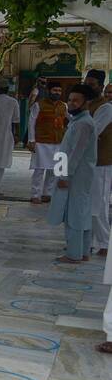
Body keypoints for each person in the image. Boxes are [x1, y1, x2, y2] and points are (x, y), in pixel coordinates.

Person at [50, 83, 97, 264]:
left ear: (86, 103)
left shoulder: (84, 124)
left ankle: (74, 254)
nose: (71, 103)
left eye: (76, 101)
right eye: (70, 100)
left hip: (76, 175)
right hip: (77, 173)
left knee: (74, 213)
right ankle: (83, 252)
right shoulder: (77, 122)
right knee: (82, 211)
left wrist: (64, 176)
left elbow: (75, 153)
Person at [84, 71, 112, 256]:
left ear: (100, 87)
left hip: (102, 161)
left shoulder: (106, 107)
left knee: (99, 202)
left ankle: (105, 242)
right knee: (88, 202)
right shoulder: (87, 104)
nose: (88, 87)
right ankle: (90, 242)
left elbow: (91, 131)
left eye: (92, 84)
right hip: (88, 161)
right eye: (87, 83)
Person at [29, 80, 67, 203]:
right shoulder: (38, 105)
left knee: (53, 170)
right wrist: (31, 140)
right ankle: (35, 194)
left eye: (59, 91)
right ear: (49, 91)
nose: (57, 93)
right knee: (39, 170)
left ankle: (47, 193)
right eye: (55, 90)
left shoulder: (64, 105)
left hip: (58, 142)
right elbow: (31, 122)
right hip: (41, 142)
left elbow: (71, 119)